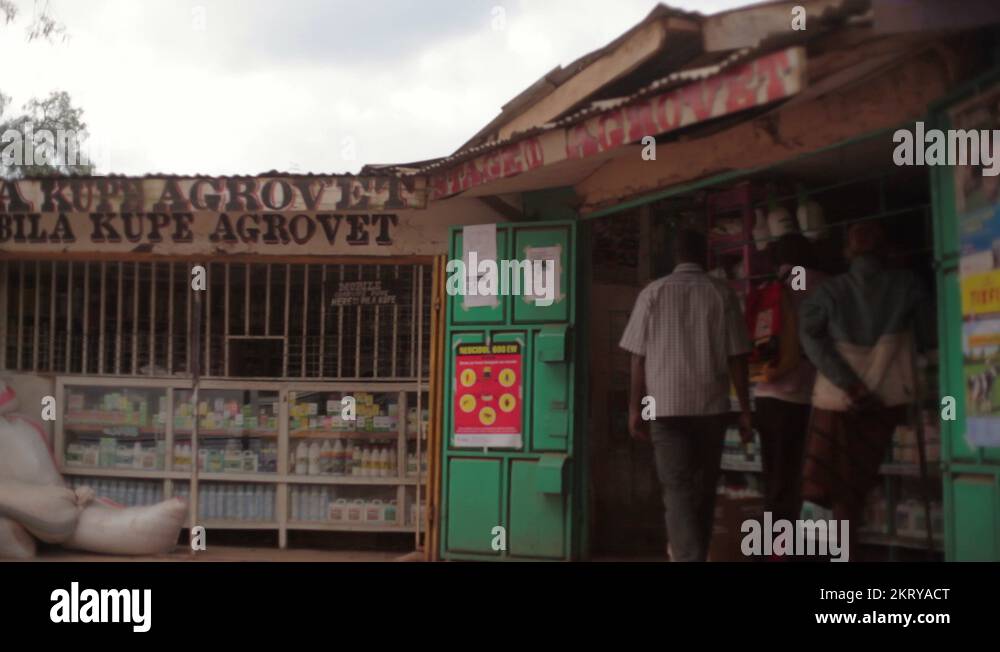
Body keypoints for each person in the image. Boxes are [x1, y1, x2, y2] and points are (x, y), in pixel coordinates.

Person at [798, 222, 929, 560]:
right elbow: (930, 336)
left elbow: (810, 338)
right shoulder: (907, 285)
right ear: (886, 250)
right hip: (889, 398)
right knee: (878, 480)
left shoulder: (829, 292)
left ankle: (842, 555)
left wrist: (848, 382)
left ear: (847, 252)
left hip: (837, 401)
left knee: (837, 488)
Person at [620, 228, 752, 562]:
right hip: (711, 408)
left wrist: (635, 409)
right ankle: (696, 554)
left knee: (677, 489)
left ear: (674, 256)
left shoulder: (652, 293)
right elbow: (738, 357)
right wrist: (747, 411)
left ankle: (689, 557)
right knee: (704, 489)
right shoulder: (722, 293)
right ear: (704, 256)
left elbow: (638, 357)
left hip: (665, 409)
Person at [753, 234, 828, 528]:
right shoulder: (821, 283)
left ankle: (772, 547)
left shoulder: (766, 288)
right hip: (798, 396)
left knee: (773, 477)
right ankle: (782, 549)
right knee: (794, 478)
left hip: (765, 392)